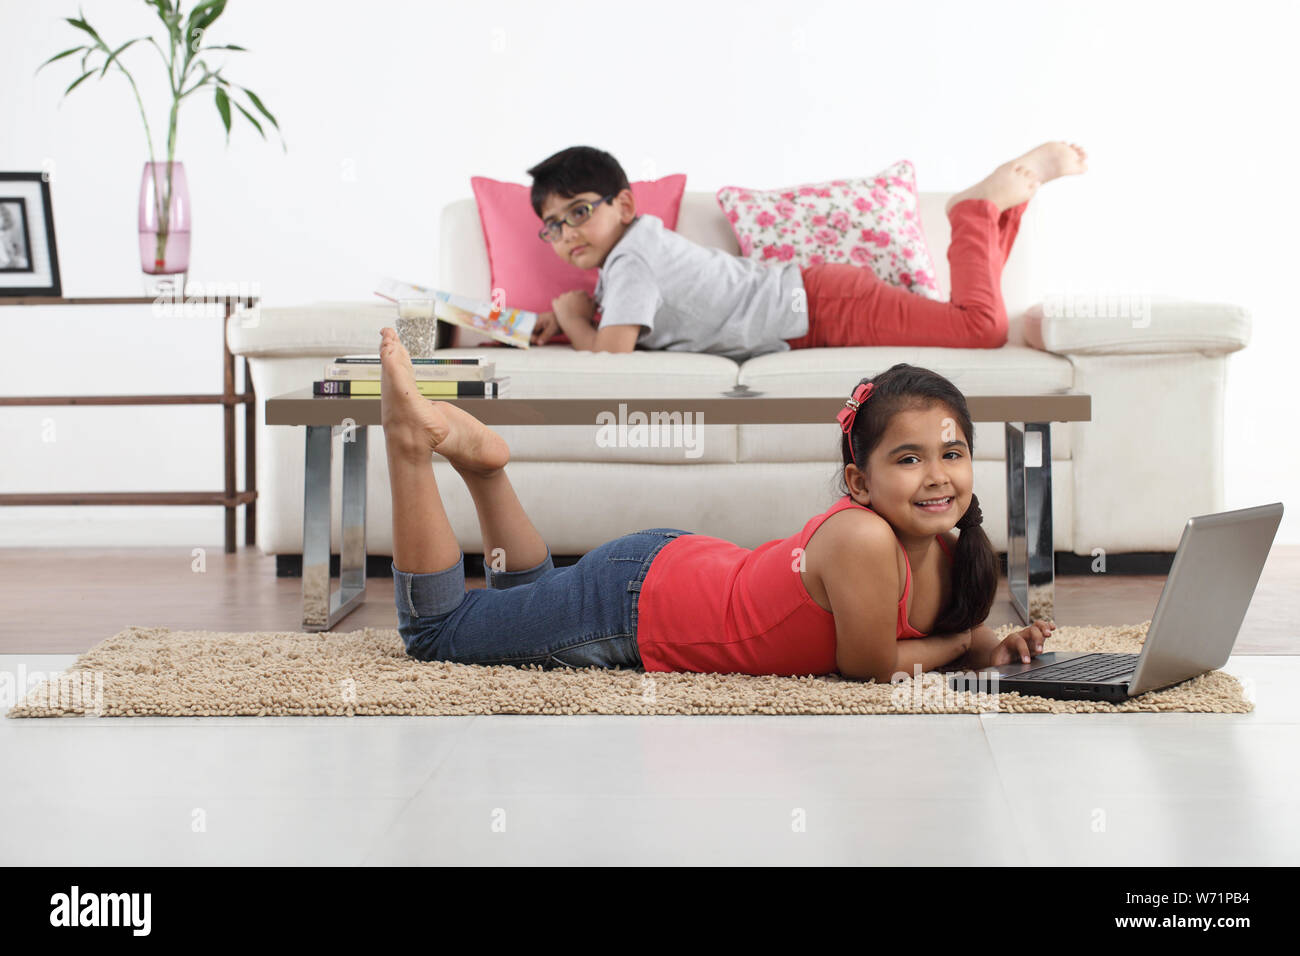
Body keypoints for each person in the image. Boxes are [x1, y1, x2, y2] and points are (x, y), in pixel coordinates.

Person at [381, 335, 1055, 680]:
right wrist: (966, 643)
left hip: (674, 569)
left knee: (531, 598)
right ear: (858, 482)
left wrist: (992, 649)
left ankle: (487, 470)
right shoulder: (863, 538)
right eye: (908, 460)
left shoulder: (944, 543)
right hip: (635, 609)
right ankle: (411, 448)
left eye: (952, 453)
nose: (937, 477)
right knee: (436, 636)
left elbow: (923, 643)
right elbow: (872, 668)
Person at [525, 142, 1086, 359]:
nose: (568, 233)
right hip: (816, 304)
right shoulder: (631, 256)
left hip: (825, 306)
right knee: (974, 325)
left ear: (624, 205)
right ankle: (999, 210)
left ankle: (973, 212)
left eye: (579, 212)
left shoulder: (630, 259)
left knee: (981, 328)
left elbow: (609, 362)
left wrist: (575, 318)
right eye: (552, 226)